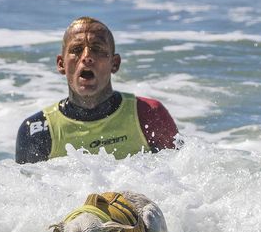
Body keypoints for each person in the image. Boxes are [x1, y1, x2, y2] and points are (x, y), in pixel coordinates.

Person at [15, 17, 179, 164]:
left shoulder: (148, 114)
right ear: (61, 64)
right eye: (77, 50)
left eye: (97, 49)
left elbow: (182, 182)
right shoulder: (39, 131)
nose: (87, 57)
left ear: (114, 63)